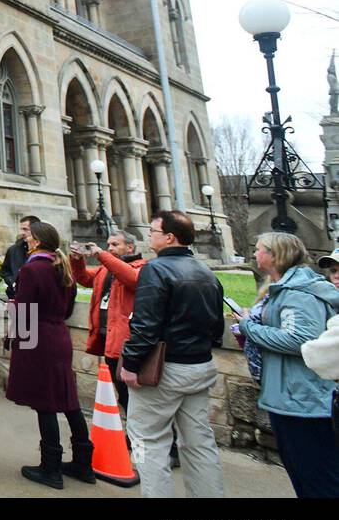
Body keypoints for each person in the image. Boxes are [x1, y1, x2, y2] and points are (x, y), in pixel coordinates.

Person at [120, 211, 226, 498]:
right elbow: (217, 326)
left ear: (169, 237)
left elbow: (145, 325)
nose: (149, 235)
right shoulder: (205, 271)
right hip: (199, 366)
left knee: (147, 441)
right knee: (199, 443)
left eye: (153, 231)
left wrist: (130, 363)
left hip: (165, 370)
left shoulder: (156, 270)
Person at [235, 232, 339, 497]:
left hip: (302, 400)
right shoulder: (281, 287)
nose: (254, 254)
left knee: (317, 480)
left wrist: (249, 328)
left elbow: (299, 340)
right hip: (289, 397)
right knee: (306, 477)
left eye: (259, 249)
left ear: (274, 255)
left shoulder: (297, 293)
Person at [8, 221, 93, 489]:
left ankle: (51, 468)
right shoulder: (61, 265)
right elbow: (67, 309)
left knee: (45, 402)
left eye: (28, 235)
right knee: (68, 399)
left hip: (39, 339)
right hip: (59, 335)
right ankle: (82, 462)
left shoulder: (33, 269)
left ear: (36, 241)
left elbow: (24, 312)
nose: (25, 238)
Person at [69, 232, 145, 412]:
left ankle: (145, 437)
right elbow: (85, 278)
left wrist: (102, 255)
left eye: (115, 244)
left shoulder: (141, 267)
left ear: (130, 247)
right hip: (109, 342)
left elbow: (131, 278)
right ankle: (134, 435)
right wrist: (77, 259)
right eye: (108, 245)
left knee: (137, 398)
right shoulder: (105, 269)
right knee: (124, 396)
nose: (110, 248)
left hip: (128, 344)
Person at [0, 215, 39, 297]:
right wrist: (12, 282)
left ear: (36, 230)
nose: (22, 233)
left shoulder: (44, 252)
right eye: (21, 229)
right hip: (15, 296)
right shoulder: (13, 249)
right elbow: (5, 270)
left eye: (25, 229)